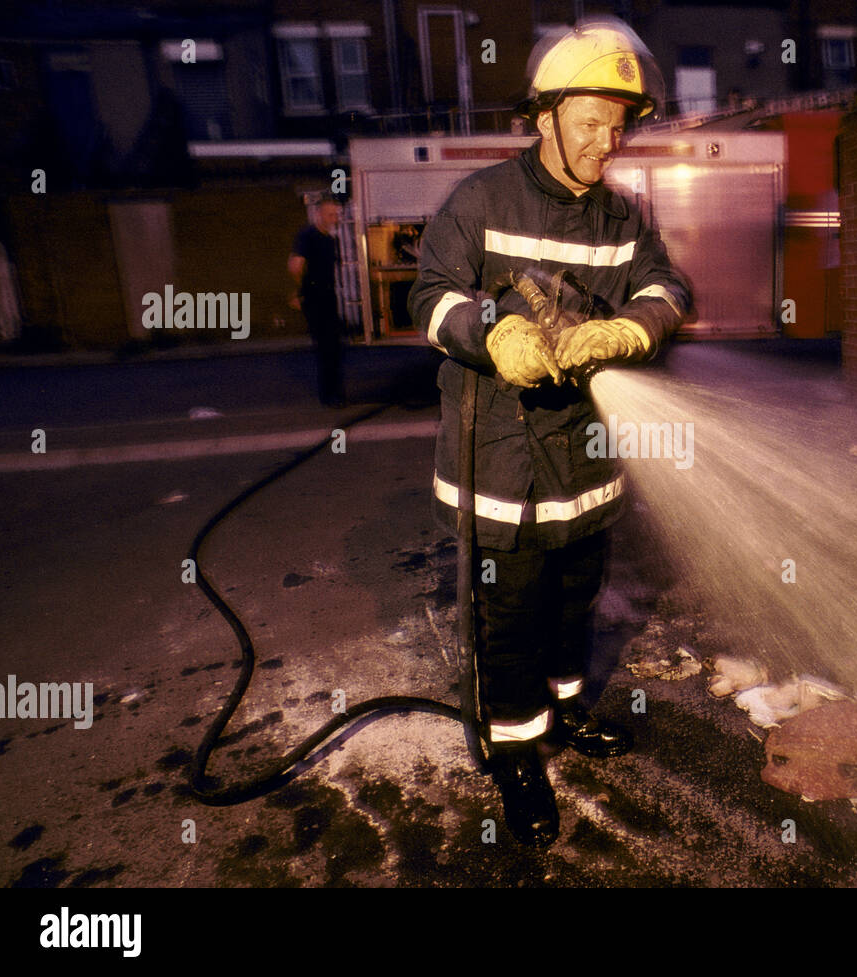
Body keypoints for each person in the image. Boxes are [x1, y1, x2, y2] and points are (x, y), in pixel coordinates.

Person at [408, 19, 690, 847]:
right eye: (592, 122)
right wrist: (490, 332)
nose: (609, 140)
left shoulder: (621, 219)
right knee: (509, 614)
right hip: (498, 455)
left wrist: (631, 329)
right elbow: (428, 296)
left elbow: (664, 285)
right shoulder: (479, 202)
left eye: (619, 125)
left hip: (585, 458)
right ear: (546, 116)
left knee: (576, 598)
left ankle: (565, 712)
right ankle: (518, 757)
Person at [288, 196, 347, 407]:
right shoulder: (308, 236)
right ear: (319, 214)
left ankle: (334, 393)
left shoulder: (330, 240)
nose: (334, 218)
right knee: (326, 347)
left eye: (336, 215)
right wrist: (301, 291)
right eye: (331, 214)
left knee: (334, 346)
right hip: (315, 298)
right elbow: (295, 265)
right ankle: (330, 396)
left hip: (328, 297)